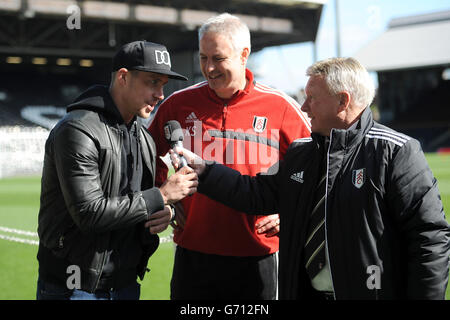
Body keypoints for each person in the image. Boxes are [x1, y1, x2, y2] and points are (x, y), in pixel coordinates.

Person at [171, 57, 450, 300]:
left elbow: (430, 238)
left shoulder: (394, 151)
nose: (304, 107)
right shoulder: (302, 152)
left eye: (312, 98)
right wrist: (206, 171)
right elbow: (256, 193)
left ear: (343, 101)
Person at [148, 13, 311, 299]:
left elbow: (317, 167)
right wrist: (163, 200)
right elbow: (143, 156)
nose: (209, 68)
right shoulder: (177, 104)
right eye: (203, 58)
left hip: (257, 257)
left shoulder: (281, 106)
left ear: (243, 55)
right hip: (193, 257)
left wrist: (291, 212)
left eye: (218, 58)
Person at [36, 40, 198, 300]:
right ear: (123, 77)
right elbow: (89, 213)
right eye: (152, 82)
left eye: (163, 85)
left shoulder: (144, 137)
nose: (160, 94)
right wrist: (162, 196)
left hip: (125, 285)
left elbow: (138, 203)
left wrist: (163, 213)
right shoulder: (77, 130)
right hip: (75, 287)